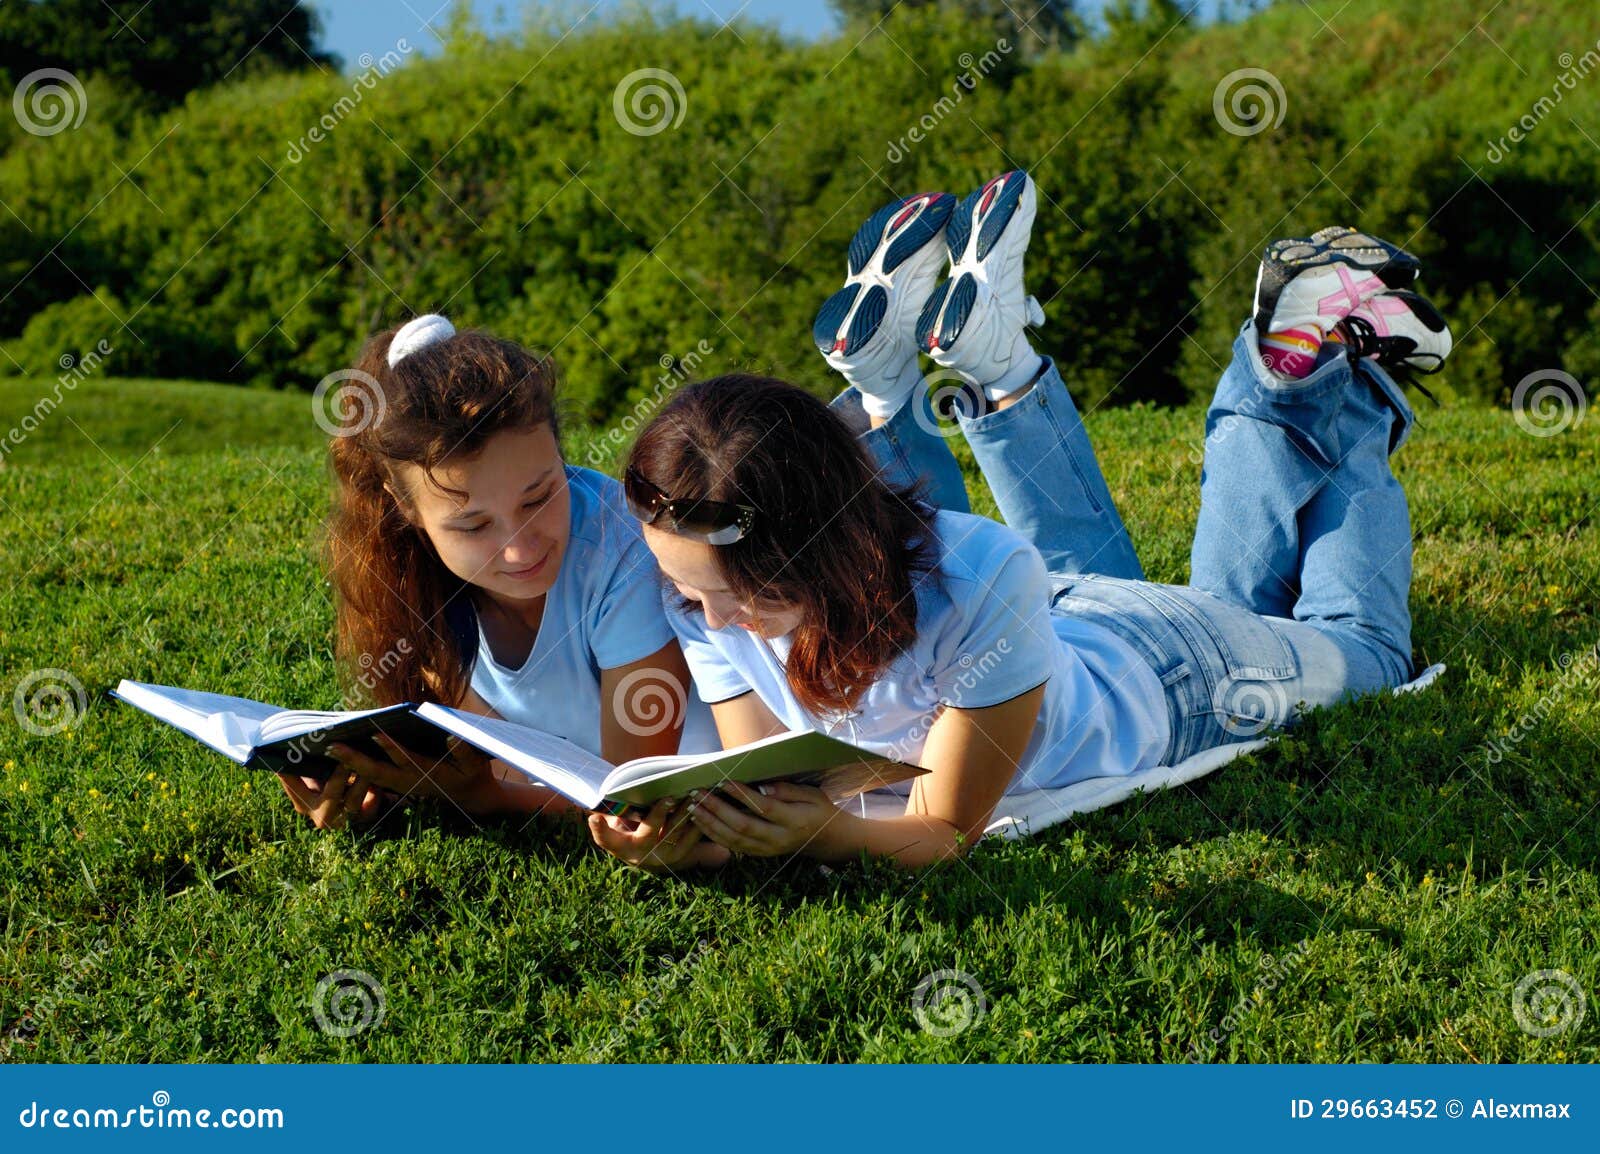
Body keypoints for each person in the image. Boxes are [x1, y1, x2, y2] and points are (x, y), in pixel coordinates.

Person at [621, 170, 1451, 868]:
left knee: (1367, 648)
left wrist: (828, 839)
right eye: (693, 596)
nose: (717, 623)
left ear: (817, 545)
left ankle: (1315, 360)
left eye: (746, 592)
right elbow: (771, 776)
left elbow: (942, 829)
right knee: (1217, 597)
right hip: (1068, 622)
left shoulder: (973, 578)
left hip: (1182, 677)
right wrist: (697, 832)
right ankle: (964, 372)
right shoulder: (703, 583)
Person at [280, 315, 726, 870]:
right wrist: (373, 787)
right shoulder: (409, 575)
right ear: (407, 511)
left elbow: (627, 801)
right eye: (473, 526)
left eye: (538, 497)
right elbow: (491, 759)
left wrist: (485, 800)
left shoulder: (625, 553)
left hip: (722, 795)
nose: (519, 550)